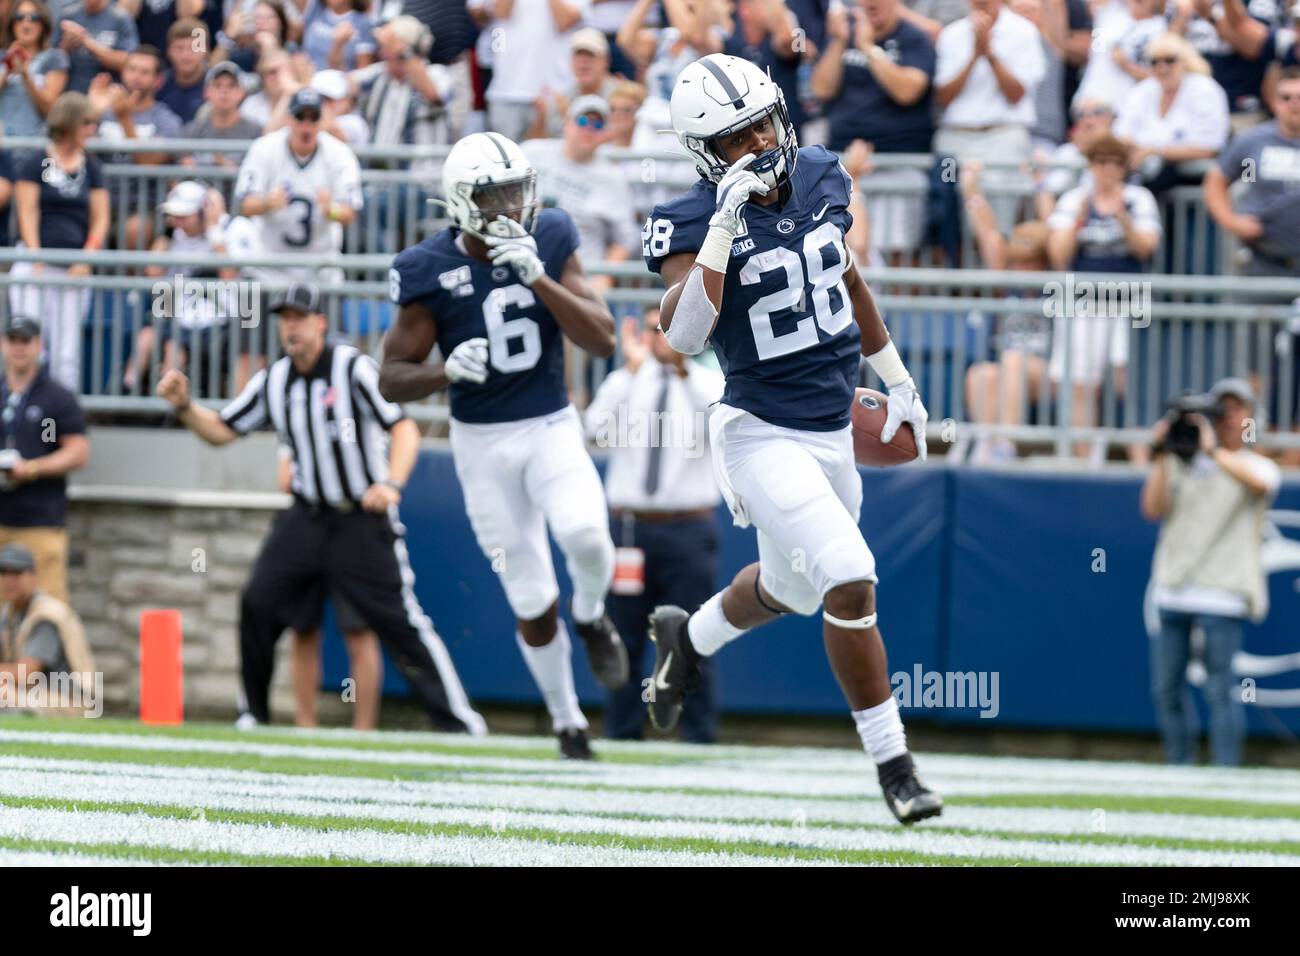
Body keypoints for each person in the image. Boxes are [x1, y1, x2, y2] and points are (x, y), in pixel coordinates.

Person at [643, 53, 941, 823]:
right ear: (706, 153)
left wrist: (899, 380)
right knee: (848, 574)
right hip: (758, 433)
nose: (759, 146)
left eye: (764, 125)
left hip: (833, 424)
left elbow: (846, 277)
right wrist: (722, 225)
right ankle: (896, 767)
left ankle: (688, 639)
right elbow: (683, 335)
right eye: (737, 139)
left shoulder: (820, 175)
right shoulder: (687, 217)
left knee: (793, 589)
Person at [379, 132, 628, 761]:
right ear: (464, 202)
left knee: (587, 536)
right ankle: (568, 722)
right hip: (481, 443)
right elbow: (390, 376)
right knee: (529, 594)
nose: (513, 206)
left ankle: (594, 614)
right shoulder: (427, 268)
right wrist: (443, 372)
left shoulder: (550, 234)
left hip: (549, 424)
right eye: (497, 195)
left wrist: (541, 279)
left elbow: (602, 339)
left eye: (518, 190)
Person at [156, 281, 487, 735]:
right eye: (284, 319)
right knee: (258, 602)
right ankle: (253, 712)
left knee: (399, 622)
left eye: (299, 318)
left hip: (360, 516)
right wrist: (186, 407)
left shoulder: (353, 368)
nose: (290, 327)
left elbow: (403, 428)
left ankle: (459, 723)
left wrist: (391, 484)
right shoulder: (274, 379)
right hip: (307, 515)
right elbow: (222, 431)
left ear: (321, 323)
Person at [585, 308, 725, 743]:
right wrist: (628, 371)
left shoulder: (708, 383)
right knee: (624, 637)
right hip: (629, 531)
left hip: (687, 531)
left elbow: (721, 427)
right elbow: (593, 431)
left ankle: (699, 736)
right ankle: (622, 734)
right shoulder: (629, 380)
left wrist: (682, 369)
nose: (662, 337)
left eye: (670, 329)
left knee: (691, 636)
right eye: (654, 329)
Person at [1140, 378, 1280, 766]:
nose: (1230, 418)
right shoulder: (1183, 460)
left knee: (1220, 688)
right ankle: (1179, 766)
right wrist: (1160, 451)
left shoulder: (1258, 466)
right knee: (1165, 689)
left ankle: (1225, 770)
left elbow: (1259, 485)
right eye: (1223, 410)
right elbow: (1152, 509)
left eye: (1238, 410)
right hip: (1174, 587)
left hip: (1223, 592)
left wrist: (1212, 451)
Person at [234, 87, 362, 382]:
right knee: (249, 351)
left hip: (319, 270)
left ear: (322, 120)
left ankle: (322, 414)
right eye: (300, 118)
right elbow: (244, 204)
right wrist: (268, 202)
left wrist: (329, 209)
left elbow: (349, 212)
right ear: (289, 119)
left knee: (323, 353)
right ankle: (241, 420)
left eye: (312, 118)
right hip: (264, 267)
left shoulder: (339, 154)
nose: (306, 126)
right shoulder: (265, 149)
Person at [1046, 132, 1161, 462]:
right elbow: (1059, 256)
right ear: (1091, 166)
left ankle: (1141, 459)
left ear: (1124, 167)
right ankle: (1084, 458)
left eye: (1115, 163)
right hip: (1083, 302)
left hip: (1128, 301)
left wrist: (1122, 216)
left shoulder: (1138, 199)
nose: (1107, 170)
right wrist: (1081, 216)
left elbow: (1145, 247)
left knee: (1129, 382)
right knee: (1081, 381)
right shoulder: (1074, 200)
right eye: (1100, 162)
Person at [810, 0, 935, 256]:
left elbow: (907, 91)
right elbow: (821, 88)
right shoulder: (842, 36)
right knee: (842, 250)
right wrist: (838, 42)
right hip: (842, 165)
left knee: (898, 252)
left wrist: (868, 47)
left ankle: (898, 299)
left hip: (898, 164)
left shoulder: (914, 38)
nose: (870, 3)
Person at [277, 448, 382, 731]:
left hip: (354, 524)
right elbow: (285, 479)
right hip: (307, 524)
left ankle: (363, 729)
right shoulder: (293, 409)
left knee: (358, 630)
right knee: (303, 628)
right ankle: (305, 725)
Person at [10, 91, 107, 390]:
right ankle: (24, 414)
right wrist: (35, 255)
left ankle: (61, 424)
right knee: (29, 345)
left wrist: (86, 256)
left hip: (73, 268)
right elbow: (27, 211)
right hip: (36, 265)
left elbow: (101, 218)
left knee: (67, 354)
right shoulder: (36, 160)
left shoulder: (91, 166)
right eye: (87, 122)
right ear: (70, 122)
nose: (92, 130)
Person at [958, 161, 1053, 464]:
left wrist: (1041, 185)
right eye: (1018, 261)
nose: (1022, 268)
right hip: (1016, 373)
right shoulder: (1009, 281)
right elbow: (989, 236)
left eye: (1031, 262)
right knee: (980, 373)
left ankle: (1006, 444)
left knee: (1013, 360)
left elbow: (1056, 234)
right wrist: (971, 189)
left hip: (1052, 371)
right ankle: (986, 446)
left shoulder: (1058, 282)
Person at [0, 316, 90, 602]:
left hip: (39, 522)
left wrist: (33, 468)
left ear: (39, 345)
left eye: (25, 341)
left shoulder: (56, 398)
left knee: (46, 612)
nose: (19, 348)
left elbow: (78, 451)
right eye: (13, 340)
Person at [124, 180, 237, 395]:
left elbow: (229, 274)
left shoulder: (225, 230)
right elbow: (153, 271)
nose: (178, 222)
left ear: (203, 212)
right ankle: (127, 390)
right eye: (174, 217)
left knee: (173, 341)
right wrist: (167, 232)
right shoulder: (173, 236)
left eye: (184, 216)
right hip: (178, 312)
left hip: (216, 315)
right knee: (148, 333)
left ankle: (168, 402)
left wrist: (212, 228)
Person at [523, 96, 639, 293]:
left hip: (579, 277)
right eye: (582, 121)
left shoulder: (612, 178)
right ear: (566, 124)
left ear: (605, 132)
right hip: (526, 263)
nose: (589, 129)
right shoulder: (532, 152)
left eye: (597, 124)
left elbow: (626, 238)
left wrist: (604, 276)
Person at [933, 0, 1046, 201]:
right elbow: (943, 96)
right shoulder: (951, 34)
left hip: (1003, 138)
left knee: (1000, 208)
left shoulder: (1024, 32)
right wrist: (975, 55)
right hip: (955, 138)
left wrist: (989, 53)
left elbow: (1016, 94)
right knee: (946, 204)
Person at [1203, 65, 1300, 278]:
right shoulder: (1253, 143)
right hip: (1263, 260)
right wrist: (1231, 221)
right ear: (1274, 102)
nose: (1294, 104)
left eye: (1299, 97)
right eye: (1286, 98)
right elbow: (1216, 181)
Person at [87, 45, 183, 252]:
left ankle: (131, 285)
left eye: (144, 72)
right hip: (99, 199)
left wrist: (125, 120)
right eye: (131, 69)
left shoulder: (166, 120)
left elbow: (149, 162)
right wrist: (91, 113)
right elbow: (78, 152)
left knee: (134, 231)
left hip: (142, 206)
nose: (136, 77)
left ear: (158, 80)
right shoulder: (103, 111)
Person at [1113, 32, 1229, 190]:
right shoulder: (1143, 90)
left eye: (1169, 60)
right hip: (1141, 168)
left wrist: (1156, 151)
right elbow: (1121, 133)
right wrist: (1131, 146)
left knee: (1153, 168)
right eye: (1154, 62)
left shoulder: (1204, 89)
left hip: (1186, 176)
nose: (1162, 68)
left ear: (1184, 61)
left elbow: (1209, 147)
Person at [0, 543, 96, 716]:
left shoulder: (47, 615)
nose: (9, 580)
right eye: (4, 573)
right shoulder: (10, 613)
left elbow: (26, 673)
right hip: (34, 695)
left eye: (16, 573)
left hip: (68, 701)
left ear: (33, 577)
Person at [485, 0, 589, 142]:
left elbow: (564, 20)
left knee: (550, 160)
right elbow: (501, 12)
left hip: (555, 93)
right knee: (505, 161)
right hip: (506, 92)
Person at [523, 26, 621, 142]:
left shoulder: (620, 96)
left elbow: (623, 140)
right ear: (571, 61)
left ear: (605, 61)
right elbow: (538, 144)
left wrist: (570, 118)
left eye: (591, 55)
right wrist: (542, 117)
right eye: (579, 55)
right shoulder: (560, 98)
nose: (584, 61)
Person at [0, 0, 69, 136]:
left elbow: (50, 110)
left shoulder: (55, 58)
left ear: (43, 23)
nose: (26, 24)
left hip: (36, 145)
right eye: (19, 18)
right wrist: (7, 69)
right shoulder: (1, 55)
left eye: (34, 18)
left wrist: (26, 77)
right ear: (12, 24)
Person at [180, 61, 263, 166]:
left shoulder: (256, 132)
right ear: (207, 92)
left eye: (232, 85)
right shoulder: (191, 131)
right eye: (217, 85)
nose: (224, 91)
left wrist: (224, 164)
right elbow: (174, 178)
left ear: (242, 92)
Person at [56, 0, 137, 93]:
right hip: (71, 92)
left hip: (106, 94)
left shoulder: (120, 18)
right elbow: (51, 58)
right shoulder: (68, 15)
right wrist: (65, 47)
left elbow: (127, 62)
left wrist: (87, 42)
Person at [157, 15, 209, 123]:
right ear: (169, 51)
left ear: (205, 51)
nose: (186, 55)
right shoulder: (159, 84)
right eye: (179, 48)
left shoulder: (216, 85)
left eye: (194, 48)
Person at [300, 0, 375, 71]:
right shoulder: (315, 12)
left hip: (339, 80)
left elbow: (363, 71)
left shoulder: (363, 23)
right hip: (305, 75)